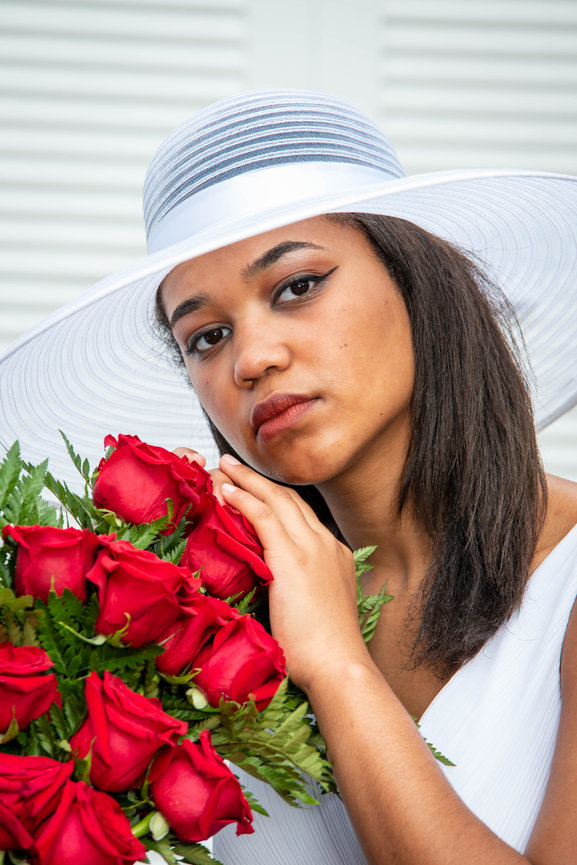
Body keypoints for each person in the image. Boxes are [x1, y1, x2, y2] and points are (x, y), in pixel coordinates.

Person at [2, 90, 577, 864]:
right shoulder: (189, 633)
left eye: (297, 286)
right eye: (205, 335)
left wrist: (336, 664)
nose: (251, 359)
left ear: (417, 278)